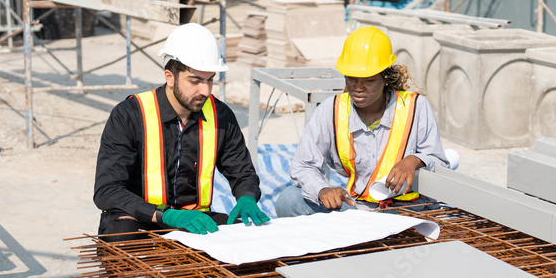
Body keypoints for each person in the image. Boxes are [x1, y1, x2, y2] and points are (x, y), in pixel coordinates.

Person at [94, 23, 269, 240]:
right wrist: (164, 215)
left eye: (210, 79)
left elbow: (242, 172)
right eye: (195, 81)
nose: (205, 90)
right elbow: (107, 190)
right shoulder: (129, 115)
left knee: (247, 241)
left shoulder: (220, 115)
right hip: (139, 218)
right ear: (170, 77)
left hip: (193, 219)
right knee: (120, 239)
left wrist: (247, 197)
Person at [275, 25, 450, 217]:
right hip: (358, 210)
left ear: (385, 78)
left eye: (369, 81)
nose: (358, 88)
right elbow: (303, 165)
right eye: (351, 79)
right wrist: (321, 189)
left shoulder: (416, 107)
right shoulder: (331, 110)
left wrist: (414, 160)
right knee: (289, 200)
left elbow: (440, 163)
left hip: (406, 212)